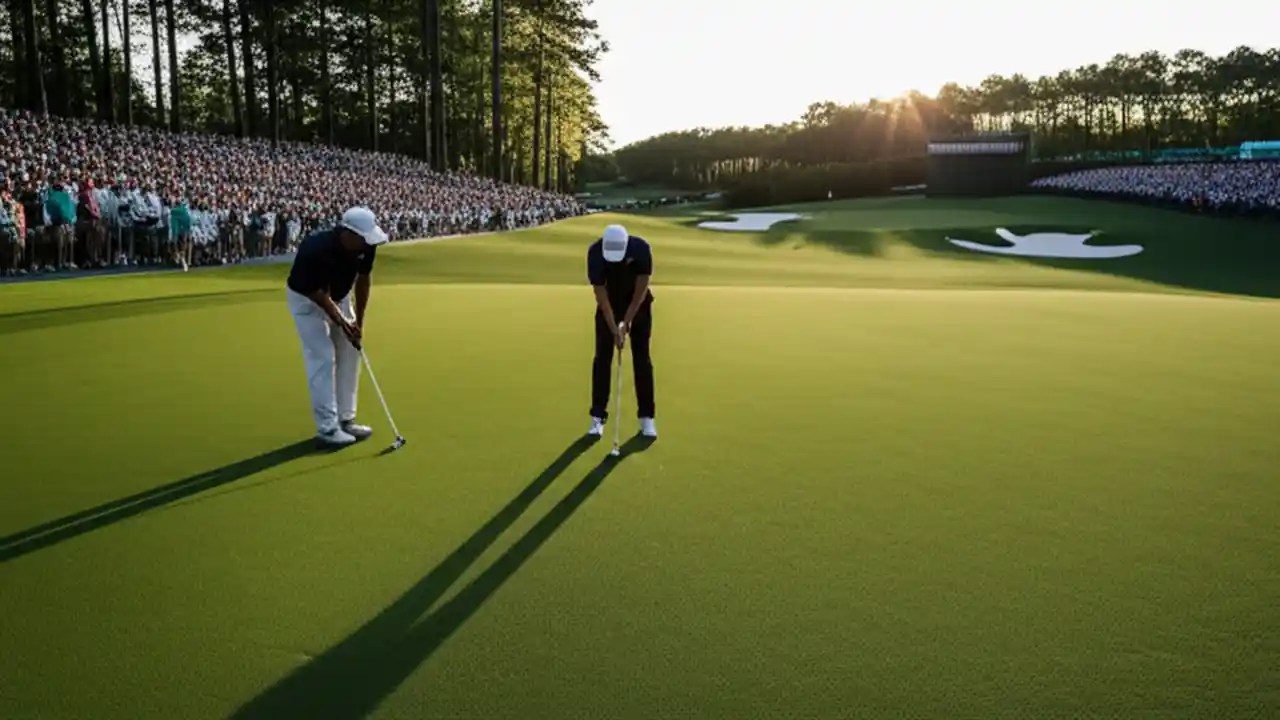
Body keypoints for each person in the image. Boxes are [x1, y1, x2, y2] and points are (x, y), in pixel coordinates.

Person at [285, 206, 388, 447]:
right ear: (348, 234)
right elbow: (318, 293)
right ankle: (327, 428)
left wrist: (358, 323)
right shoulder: (315, 248)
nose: (368, 243)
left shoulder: (366, 245)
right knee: (322, 356)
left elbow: (363, 279)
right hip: (306, 301)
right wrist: (342, 322)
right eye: (364, 238)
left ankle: (346, 419)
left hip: (340, 297)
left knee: (351, 351)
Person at [587, 223, 658, 439]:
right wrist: (613, 327)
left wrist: (627, 321)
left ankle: (647, 417)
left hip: (638, 305)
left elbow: (642, 287)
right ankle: (597, 417)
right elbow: (600, 294)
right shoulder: (595, 253)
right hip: (609, 304)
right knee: (602, 359)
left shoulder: (641, 249)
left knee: (642, 358)